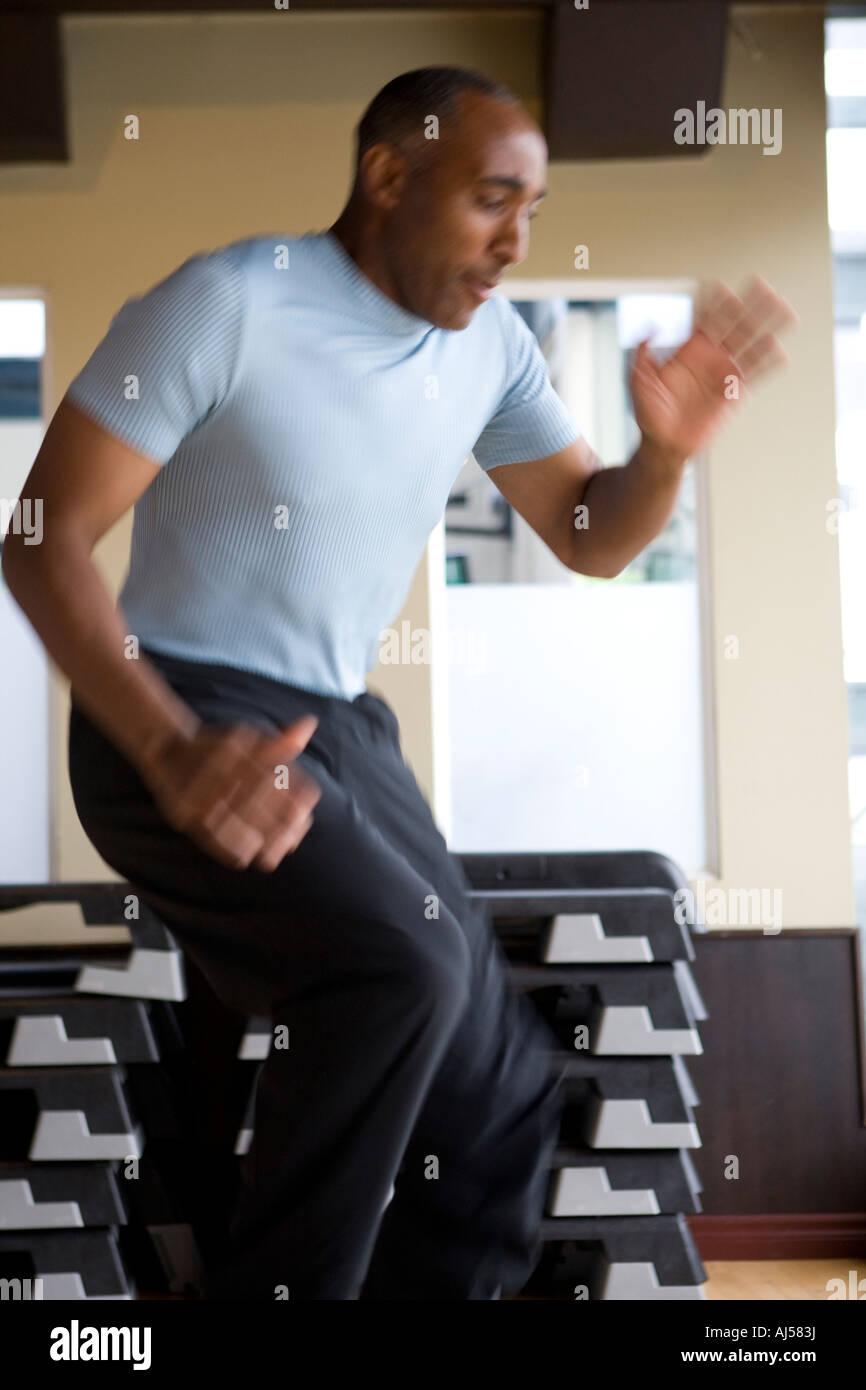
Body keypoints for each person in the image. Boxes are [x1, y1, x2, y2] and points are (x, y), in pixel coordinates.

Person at [1, 64, 796, 1301]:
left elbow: (589, 532)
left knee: (501, 1090)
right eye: (490, 199)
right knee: (396, 973)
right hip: (172, 713)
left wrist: (662, 453)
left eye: (529, 209)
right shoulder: (227, 303)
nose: (513, 242)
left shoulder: (492, 351)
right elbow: (40, 534)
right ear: (388, 174)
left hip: (336, 735)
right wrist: (165, 748)